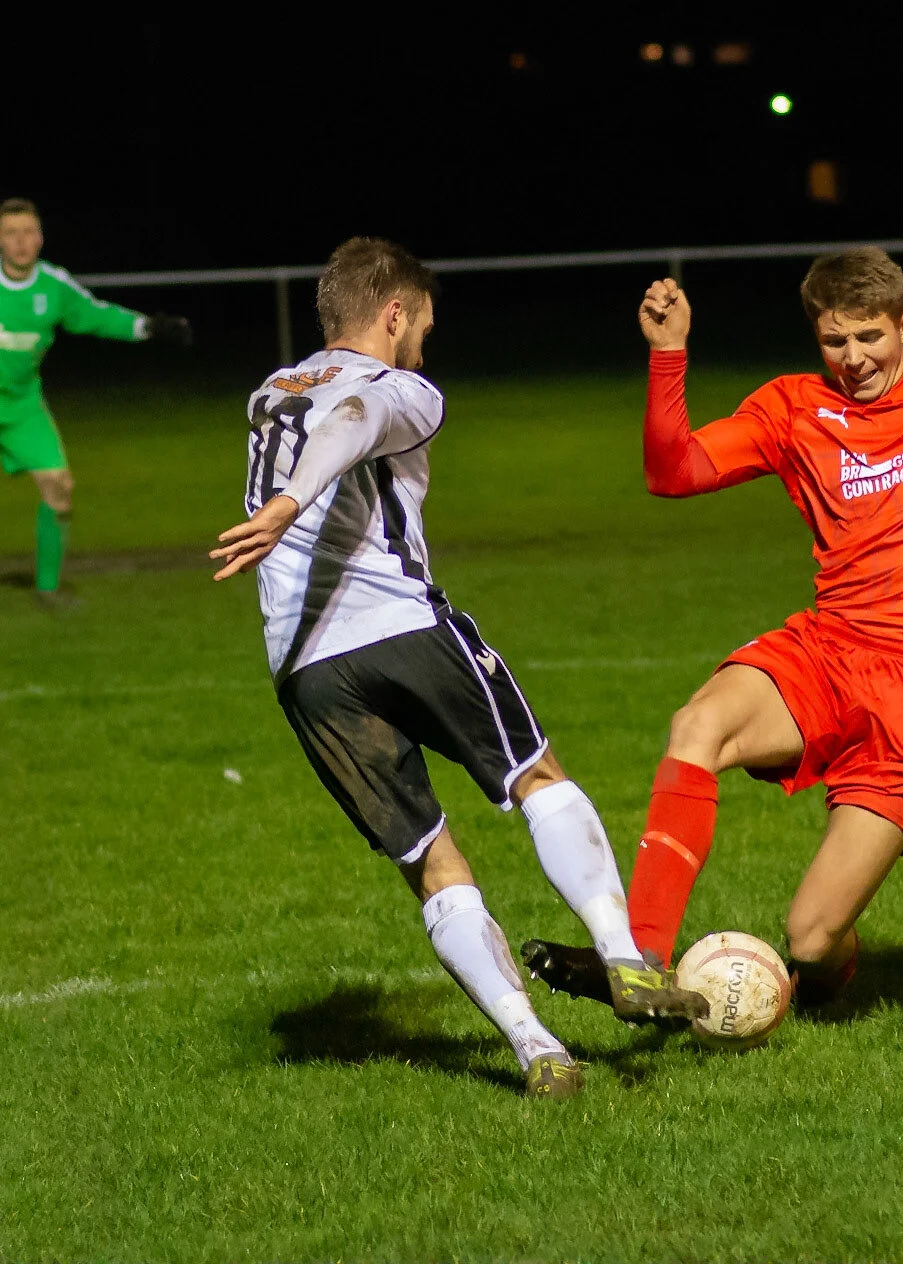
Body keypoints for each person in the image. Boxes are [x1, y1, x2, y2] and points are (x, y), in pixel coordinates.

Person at [523, 195, 903, 1009]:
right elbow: (674, 474)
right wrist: (669, 356)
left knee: (811, 938)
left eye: (869, 336)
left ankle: (829, 981)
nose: (853, 357)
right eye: (834, 341)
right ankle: (638, 959)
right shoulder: (793, 411)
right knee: (698, 725)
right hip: (830, 650)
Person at [209, 237, 705, 1099]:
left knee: (428, 861)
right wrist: (294, 504)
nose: (424, 346)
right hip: (401, 629)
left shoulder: (270, 391)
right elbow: (357, 418)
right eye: (421, 326)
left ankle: (535, 1048)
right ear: (393, 312)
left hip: (303, 670)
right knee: (534, 775)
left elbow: (329, 415)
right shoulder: (401, 390)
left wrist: (286, 502)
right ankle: (623, 956)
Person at [0, 197, 192, 604]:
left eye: (28, 232)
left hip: (21, 407)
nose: (20, 242)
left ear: (40, 238)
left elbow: (97, 315)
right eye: (10, 233)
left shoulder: (53, 286)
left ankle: (47, 590)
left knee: (58, 488)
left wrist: (149, 327)